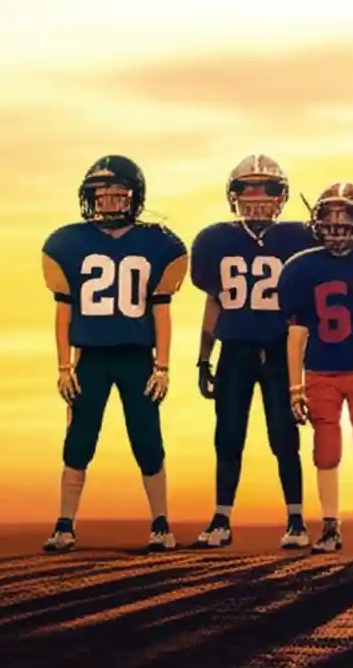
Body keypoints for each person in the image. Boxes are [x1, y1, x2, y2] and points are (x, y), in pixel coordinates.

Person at [40, 155, 189, 553]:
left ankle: (160, 522)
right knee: (78, 439)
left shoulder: (159, 243)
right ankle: (65, 524)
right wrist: (62, 364)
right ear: (90, 198)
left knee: (147, 438)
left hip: (137, 357)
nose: (109, 202)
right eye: (102, 196)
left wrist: (163, 365)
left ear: (134, 198)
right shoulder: (67, 243)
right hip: (90, 356)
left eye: (118, 195)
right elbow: (63, 310)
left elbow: (162, 309)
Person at [189, 154, 317, 549]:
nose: (258, 196)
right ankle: (222, 517)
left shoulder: (299, 237)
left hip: (280, 350)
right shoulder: (215, 239)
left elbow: (312, 305)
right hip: (236, 348)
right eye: (248, 188)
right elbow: (214, 301)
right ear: (234, 195)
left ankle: (296, 519)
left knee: (284, 435)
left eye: (269, 188)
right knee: (228, 434)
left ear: (283, 195)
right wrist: (203, 356)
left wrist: (308, 364)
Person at [278, 183, 353, 555]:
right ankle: (331, 526)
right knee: (326, 448)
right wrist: (294, 387)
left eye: (344, 217)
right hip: (321, 373)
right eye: (328, 217)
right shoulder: (301, 267)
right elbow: (296, 333)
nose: (335, 225)